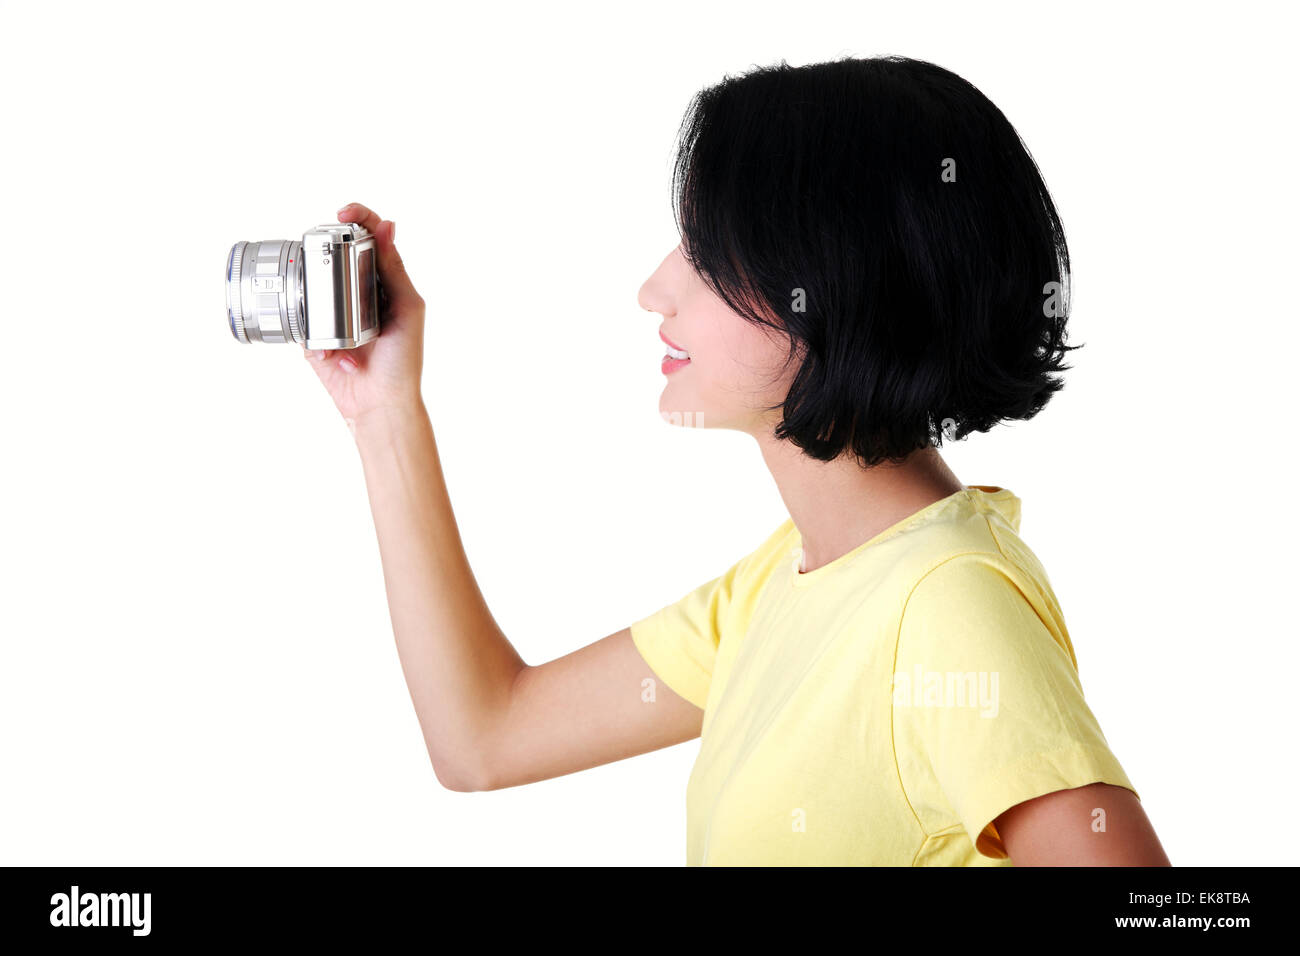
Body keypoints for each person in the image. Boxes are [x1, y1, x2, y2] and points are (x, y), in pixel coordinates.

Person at [304, 55, 1169, 866]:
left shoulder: (946, 606)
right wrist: (385, 413)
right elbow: (483, 737)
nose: (656, 289)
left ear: (837, 283)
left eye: (708, 255)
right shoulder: (784, 584)